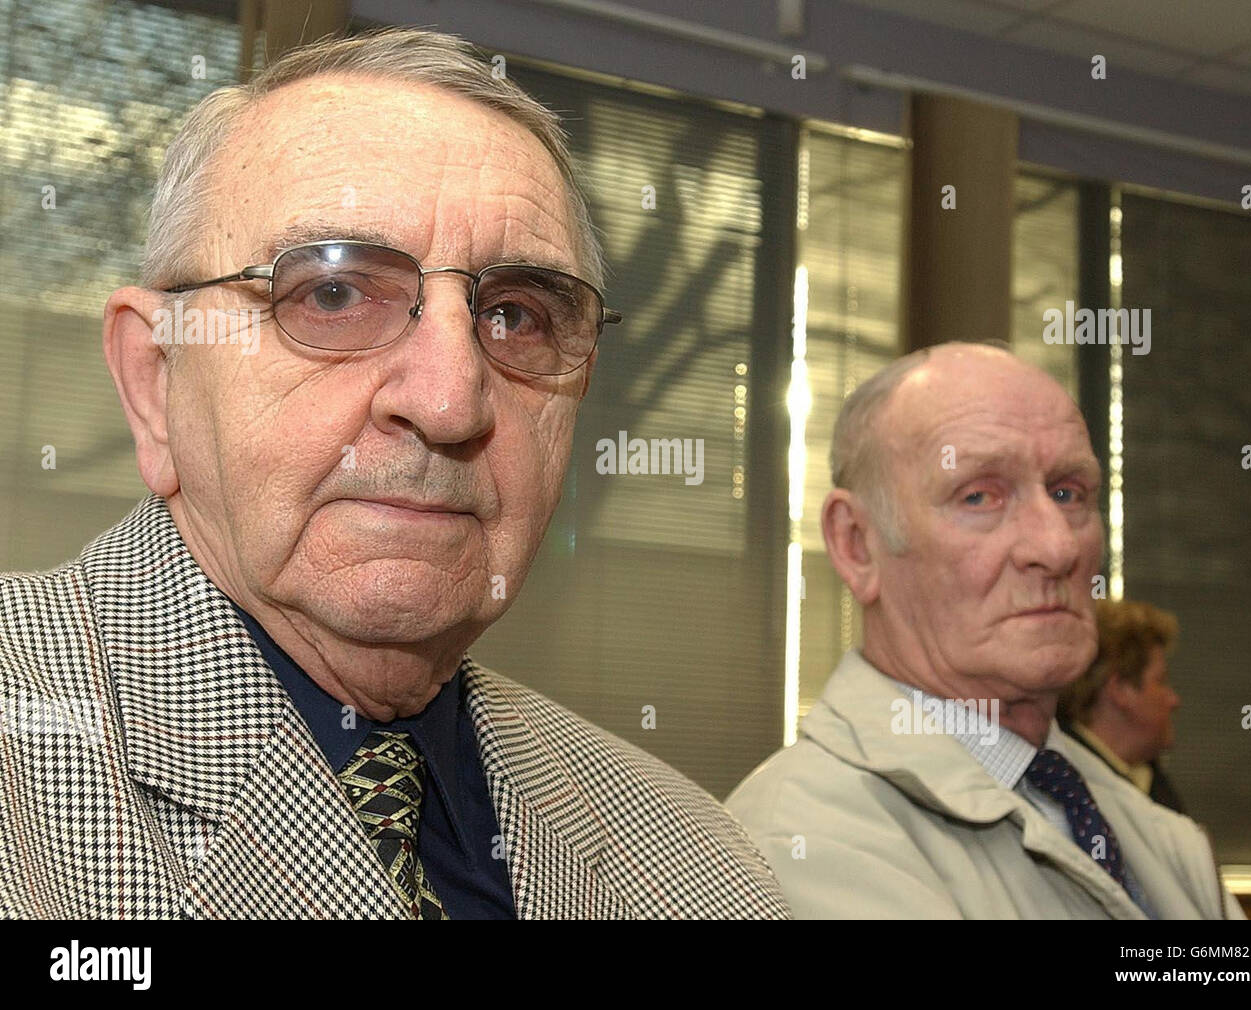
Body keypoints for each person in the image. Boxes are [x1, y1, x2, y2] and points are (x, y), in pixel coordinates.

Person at [0, 28, 788, 920]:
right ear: (155, 381)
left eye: (517, 317)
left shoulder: (701, 861)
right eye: (332, 294)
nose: (451, 404)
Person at [727, 342, 1241, 919]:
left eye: (1069, 493)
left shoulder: (1139, 823)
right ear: (856, 544)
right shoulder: (790, 846)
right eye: (979, 496)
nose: (1057, 547)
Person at [1057, 599, 1186, 813]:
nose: (1174, 700)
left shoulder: (1154, 786)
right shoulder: (1065, 791)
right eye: (1161, 681)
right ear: (1120, 690)